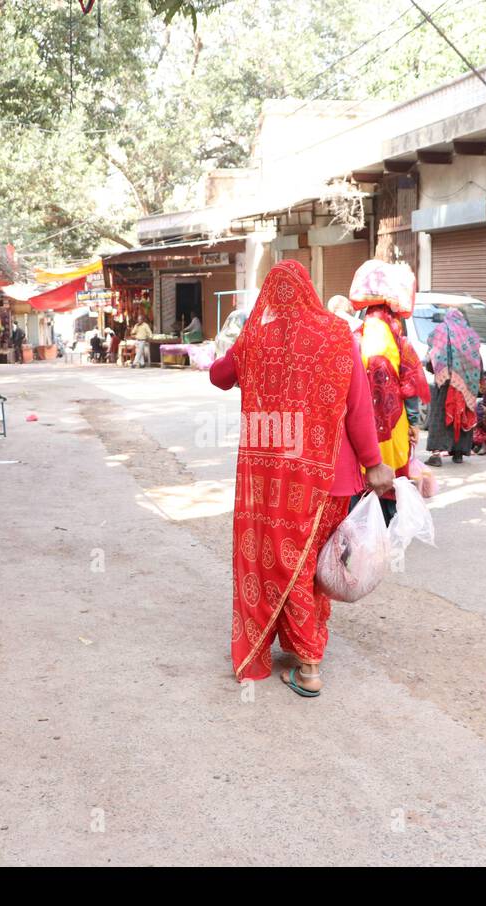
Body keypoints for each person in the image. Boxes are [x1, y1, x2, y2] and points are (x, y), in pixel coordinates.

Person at [210, 260, 393, 697]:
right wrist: (374, 463)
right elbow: (357, 407)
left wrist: (247, 347)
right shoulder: (337, 336)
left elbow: (219, 376)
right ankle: (304, 651)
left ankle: (308, 664)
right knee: (310, 569)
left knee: (282, 562)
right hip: (330, 477)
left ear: (269, 298)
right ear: (308, 291)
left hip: (272, 481)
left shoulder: (257, 339)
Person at [351, 259, 429, 523]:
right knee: (392, 477)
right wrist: (414, 423)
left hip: (359, 421)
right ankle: (386, 522)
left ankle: (363, 523)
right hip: (394, 424)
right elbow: (411, 385)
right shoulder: (398, 340)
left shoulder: (356, 335)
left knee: (363, 478)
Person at [423, 308, 481, 466]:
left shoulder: (441, 330)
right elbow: (478, 361)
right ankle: (458, 453)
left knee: (439, 417)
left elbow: (433, 357)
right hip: (467, 384)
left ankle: (436, 455)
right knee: (463, 414)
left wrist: (435, 370)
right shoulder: (470, 334)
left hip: (446, 383)